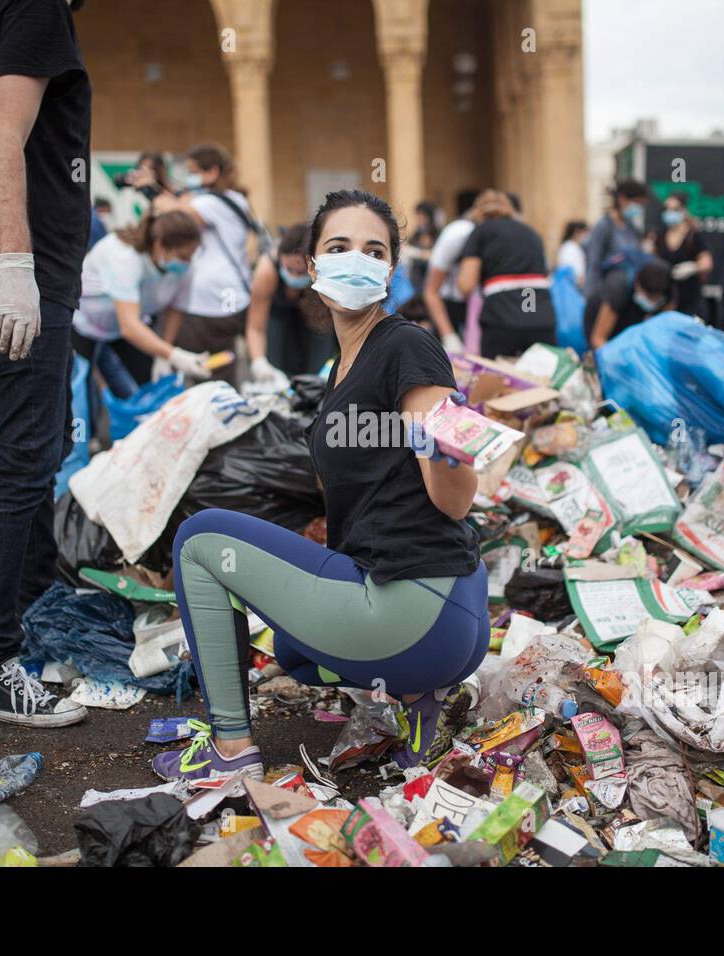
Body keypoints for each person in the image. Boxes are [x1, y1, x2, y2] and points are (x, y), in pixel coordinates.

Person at [153, 190, 488, 782]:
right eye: (339, 247)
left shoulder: (406, 344)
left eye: (373, 249)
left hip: (414, 609)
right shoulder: (344, 366)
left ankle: (230, 752)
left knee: (199, 540)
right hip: (449, 617)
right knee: (294, 654)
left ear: (390, 269)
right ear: (311, 266)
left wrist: (446, 451)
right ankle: (417, 704)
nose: (355, 259)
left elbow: (454, 499)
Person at [0, 0, 93, 727]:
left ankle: (29, 614)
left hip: (13, 269)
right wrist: (19, 266)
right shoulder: (36, 5)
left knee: (43, 443)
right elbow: (3, 140)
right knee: (24, 453)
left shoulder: (3, 10)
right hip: (12, 270)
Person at [71, 207, 211, 401]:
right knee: (82, 394)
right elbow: (129, 325)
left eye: (192, 254)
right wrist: (175, 355)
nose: (188, 261)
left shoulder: (185, 267)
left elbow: (175, 308)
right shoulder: (124, 257)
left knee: (148, 388)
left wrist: (164, 353)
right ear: (160, 245)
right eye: (183, 255)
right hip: (83, 323)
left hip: (124, 326)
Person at [154, 143, 253, 385]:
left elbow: (176, 216)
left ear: (213, 172)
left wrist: (155, 192)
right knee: (221, 372)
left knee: (201, 376)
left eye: (194, 171)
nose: (190, 178)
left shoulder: (210, 203)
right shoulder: (236, 200)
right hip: (231, 300)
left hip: (206, 304)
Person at [456, 189, 555, 357]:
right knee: (541, 379)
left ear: (478, 212)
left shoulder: (481, 232)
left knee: (499, 380)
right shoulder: (531, 232)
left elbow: (466, 285)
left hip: (501, 320)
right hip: (540, 317)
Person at [246, 223, 337, 384]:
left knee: (319, 356)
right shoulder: (267, 270)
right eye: (289, 269)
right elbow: (255, 326)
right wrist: (258, 361)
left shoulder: (325, 273)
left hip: (314, 319)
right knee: (275, 359)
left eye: (301, 272)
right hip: (277, 319)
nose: (294, 276)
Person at [583, 180, 648, 337]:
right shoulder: (604, 227)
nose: (639, 208)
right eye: (636, 202)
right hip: (606, 300)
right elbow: (594, 264)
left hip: (627, 302)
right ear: (622, 199)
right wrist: (592, 298)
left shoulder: (633, 228)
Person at [422, 194, 478, 351]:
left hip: (475, 305)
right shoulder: (457, 234)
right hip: (449, 304)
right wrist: (448, 335)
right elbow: (431, 291)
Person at [589, 259, 673, 349]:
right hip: (600, 325)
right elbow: (597, 338)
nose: (650, 303)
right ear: (637, 283)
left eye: (655, 299)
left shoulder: (668, 294)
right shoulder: (619, 288)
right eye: (647, 297)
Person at [652, 192, 712, 318]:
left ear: (684, 210)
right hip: (665, 300)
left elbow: (707, 262)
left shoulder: (693, 235)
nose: (670, 212)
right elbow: (653, 258)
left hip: (690, 300)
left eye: (675, 209)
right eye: (667, 209)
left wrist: (693, 267)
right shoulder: (660, 235)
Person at [556, 220, 589, 290]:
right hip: (571, 288)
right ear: (577, 233)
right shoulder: (569, 248)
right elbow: (569, 272)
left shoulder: (577, 248)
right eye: (585, 233)